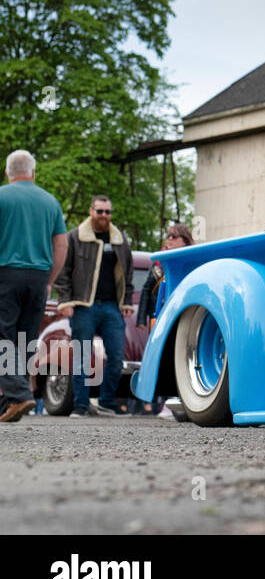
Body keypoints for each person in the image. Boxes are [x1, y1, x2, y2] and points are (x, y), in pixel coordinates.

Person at [0, 150, 67, 423]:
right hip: (39, 277)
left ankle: (19, 393)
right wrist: (50, 279)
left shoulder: (2, 197)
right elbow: (61, 245)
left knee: (3, 338)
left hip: (6, 274)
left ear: (8, 172)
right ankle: (11, 404)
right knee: (25, 341)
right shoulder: (50, 202)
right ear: (33, 172)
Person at [52, 196, 134, 417]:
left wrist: (126, 302)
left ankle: (107, 402)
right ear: (91, 211)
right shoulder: (75, 237)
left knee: (117, 356)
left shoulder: (119, 239)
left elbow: (128, 272)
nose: (104, 216)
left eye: (108, 212)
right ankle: (81, 405)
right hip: (83, 306)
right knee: (81, 356)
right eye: (100, 211)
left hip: (111, 307)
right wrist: (65, 302)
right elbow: (62, 272)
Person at [134, 223, 193, 414]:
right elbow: (146, 289)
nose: (169, 239)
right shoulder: (159, 262)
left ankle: (181, 401)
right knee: (161, 358)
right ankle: (164, 404)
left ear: (185, 240)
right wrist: (141, 318)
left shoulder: (193, 258)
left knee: (181, 356)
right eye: (168, 235)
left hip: (184, 314)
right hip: (160, 316)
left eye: (174, 236)